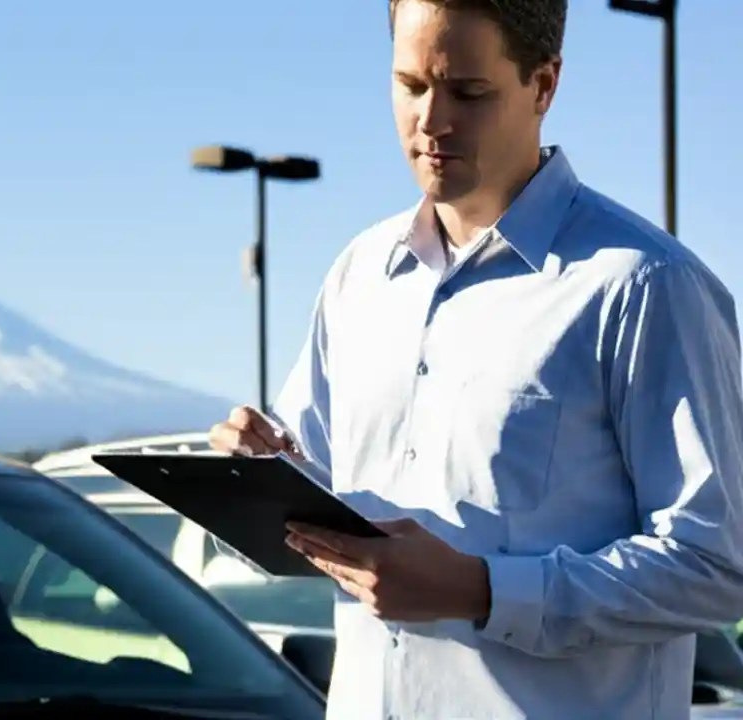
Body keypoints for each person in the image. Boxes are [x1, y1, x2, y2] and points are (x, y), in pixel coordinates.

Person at [208, 1, 743, 718]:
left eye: (468, 92)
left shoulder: (645, 287)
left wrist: (481, 590)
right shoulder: (359, 276)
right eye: (410, 85)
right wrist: (257, 477)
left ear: (544, 86)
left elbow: (716, 565)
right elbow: (315, 515)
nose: (430, 122)